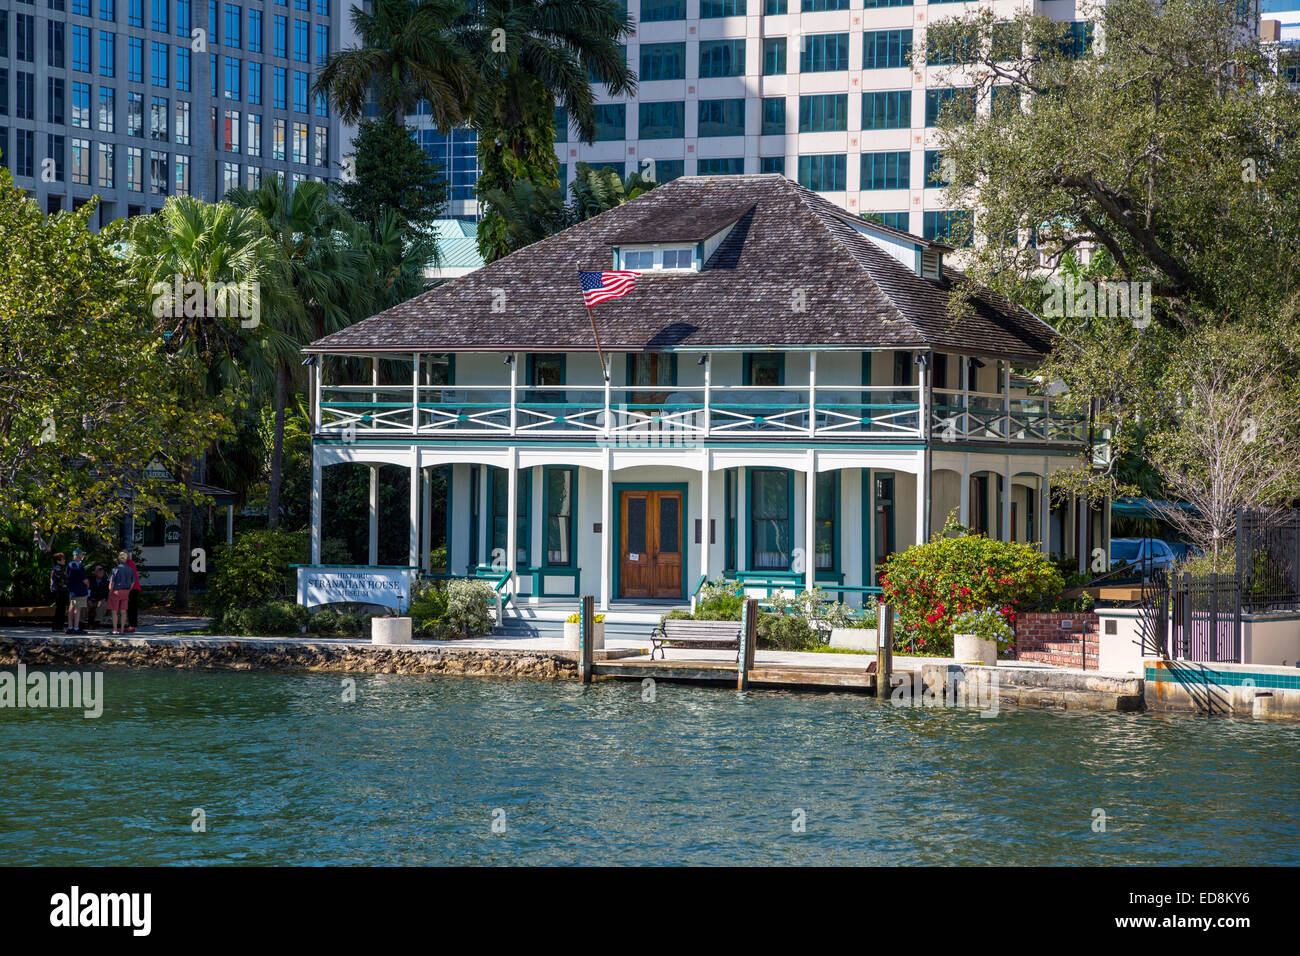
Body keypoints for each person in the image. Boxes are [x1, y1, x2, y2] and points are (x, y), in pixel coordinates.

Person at [108, 552, 135, 635]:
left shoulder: (115, 569)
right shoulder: (130, 569)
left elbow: (111, 582)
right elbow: (133, 582)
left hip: (116, 591)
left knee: (114, 611)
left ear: (118, 559)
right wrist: (129, 590)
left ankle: (115, 630)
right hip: (126, 591)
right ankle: (122, 629)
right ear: (126, 559)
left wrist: (110, 592)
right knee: (123, 611)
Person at [65, 547, 89, 634]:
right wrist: (88, 585)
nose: (82, 556)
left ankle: (70, 627)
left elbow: (66, 577)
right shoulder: (79, 565)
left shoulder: (69, 565)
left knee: (71, 608)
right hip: (80, 590)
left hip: (72, 590)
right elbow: (84, 579)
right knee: (77, 609)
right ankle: (76, 628)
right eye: (81, 554)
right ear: (78, 555)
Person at [49, 553, 69, 633]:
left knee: (62, 608)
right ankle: (57, 626)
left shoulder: (61, 568)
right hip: (59, 591)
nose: (64, 560)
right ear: (58, 561)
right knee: (60, 609)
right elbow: (64, 579)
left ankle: (59, 626)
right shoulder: (57, 569)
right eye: (62, 559)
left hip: (62, 590)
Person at [125, 551, 142, 633]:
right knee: (132, 607)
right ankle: (132, 624)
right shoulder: (130, 563)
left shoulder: (129, 563)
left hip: (132, 588)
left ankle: (131, 625)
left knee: (131, 607)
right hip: (134, 588)